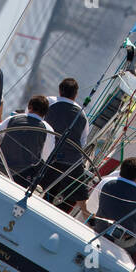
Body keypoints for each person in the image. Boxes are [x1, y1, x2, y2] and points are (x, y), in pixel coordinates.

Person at [87, 157, 136, 272]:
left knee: (91, 220)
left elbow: (90, 207)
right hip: (123, 240)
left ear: (121, 169)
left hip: (101, 231)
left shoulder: (105, 183)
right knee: (134, 250)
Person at [42, 78, 90, 210]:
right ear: (76, 94)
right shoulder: (82, 114)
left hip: (49, 158)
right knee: (82, 199)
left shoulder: (49, 102)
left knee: (41, 187)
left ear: (59, 90)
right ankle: (88, 220)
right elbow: (82, 142)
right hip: (72, 164)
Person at [0, 95, 55, 189]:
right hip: (23, 177)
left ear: (29, 107)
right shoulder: (48, 130)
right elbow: (47, 156)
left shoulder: (13, 119)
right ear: (45, 113)